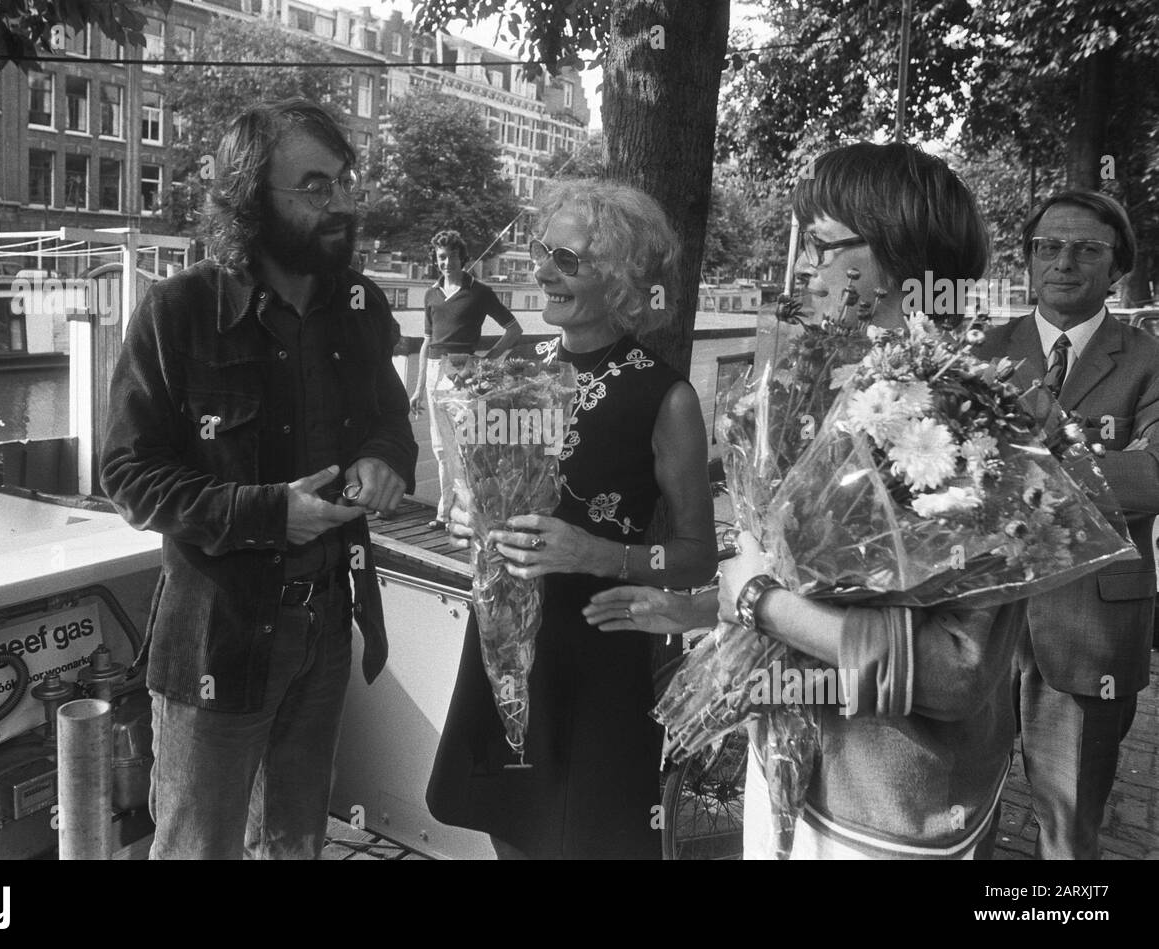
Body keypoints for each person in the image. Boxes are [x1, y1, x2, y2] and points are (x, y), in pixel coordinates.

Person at [587, 143, 1028, 859]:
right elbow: (818, 581)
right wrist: (709, 606)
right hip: (792, 769)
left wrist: (757, 598)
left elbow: (956, 673)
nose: (803, 267)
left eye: (822, 246)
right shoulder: (832, 386)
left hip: (889, 812)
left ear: (895, 254)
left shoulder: (971, 420)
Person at [100, 99, 417, 859]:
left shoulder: (358, 303)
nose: (341, 202)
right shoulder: (177, 313)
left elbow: (391, 419)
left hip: (326, 625)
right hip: (218, 638)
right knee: (197, 847)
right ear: (250, 198)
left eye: (343, 181)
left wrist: (385, 457)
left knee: (296, 842)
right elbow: (127, 473)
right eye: (315, 186)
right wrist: (269, 513)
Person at [426, 179, 718, 859]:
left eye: (567, 259)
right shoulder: (513, 369)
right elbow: (493, 495)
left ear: (619, 279)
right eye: (542, 252)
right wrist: (476, 513)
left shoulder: (664, 397)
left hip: (596, 656)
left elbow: (698, 556)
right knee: (512, 827)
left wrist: (599, 553)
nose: (542, 271)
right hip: (506, 644)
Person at [975, 190, 1159, 859]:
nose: (1064, 262)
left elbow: (1154, 478)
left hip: (1092, 628)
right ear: (1027, 259)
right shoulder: (982, 353)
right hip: (979, 623)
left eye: (1087, 249)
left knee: (1068, 833)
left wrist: (1032, 470)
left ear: (1117, 267)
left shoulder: (1146, 358)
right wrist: (1105, 466)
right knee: (967, 812)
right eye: (1047, 246)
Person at [409, 229, 523, 530]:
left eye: (450, 257)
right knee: (439, 447)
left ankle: (472, 514)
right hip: (435, 370)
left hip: (463, 373)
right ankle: (444, 514)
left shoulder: (480, 292)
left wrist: (485, 363)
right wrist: (419, 387)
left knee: (466, 446)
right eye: (440, 258)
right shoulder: (431, 293)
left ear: (463, 257)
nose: (445, 263)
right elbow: (425, 343)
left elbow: (514, 330)